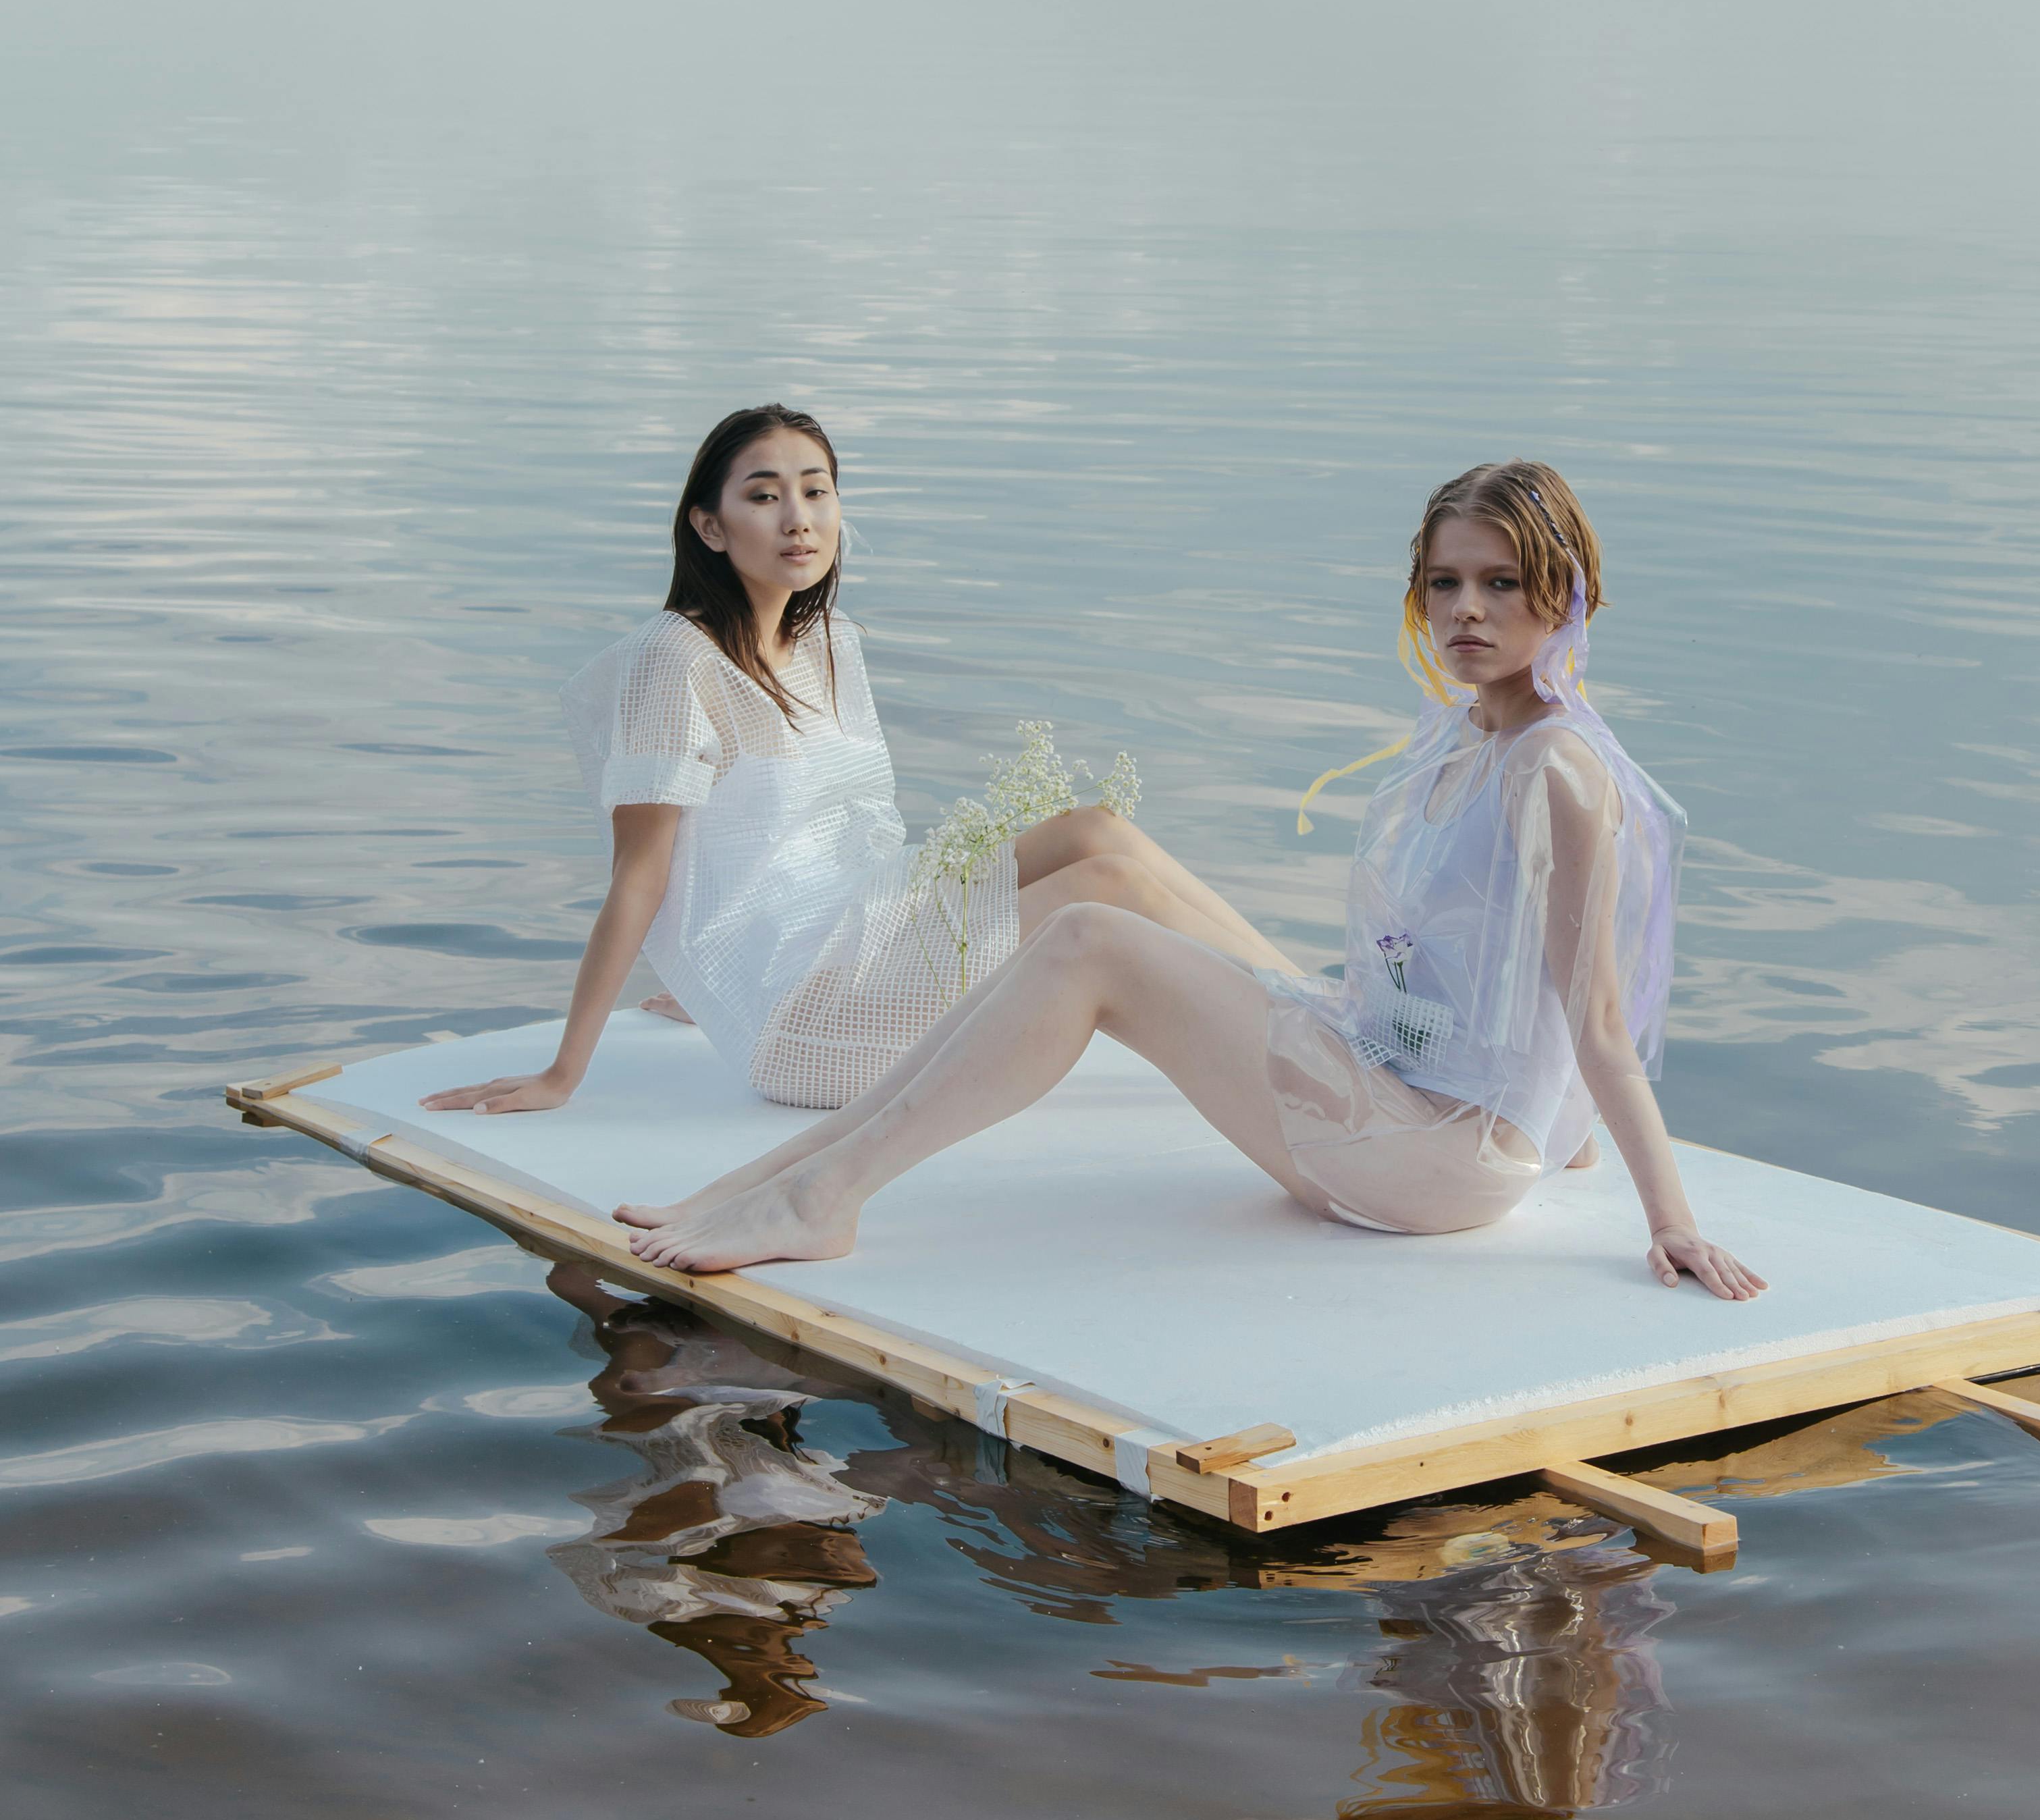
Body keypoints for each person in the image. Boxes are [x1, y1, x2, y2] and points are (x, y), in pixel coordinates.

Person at [615, 460, 1765, 1302]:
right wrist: (1555, 1128)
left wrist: (1667, 1221)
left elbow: (1599, 1018)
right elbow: (1473, 963)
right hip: (1392, 1104)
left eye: (1502, 585)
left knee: (1087, 941)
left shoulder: (1557, 767)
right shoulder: (1464, 734)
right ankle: (783, 1173)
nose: (1465, 611)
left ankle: (819, 1199)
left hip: (1430, 1165)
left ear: (1564, 596)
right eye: (1443, 582)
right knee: (1110, 896)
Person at [421, 403, 1294, 1124]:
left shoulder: (829, 639)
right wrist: (563, 1073)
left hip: (865, 937)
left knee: (1096, 830)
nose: (798, 518)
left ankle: (1318, 1004)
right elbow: (641, 877)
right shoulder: (675, 661)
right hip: (811, 1028)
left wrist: (703, 983)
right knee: (1110, 886)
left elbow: (831, 836)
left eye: (816, 490)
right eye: (763, 496)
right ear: (708, 525)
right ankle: (1319, 1040)